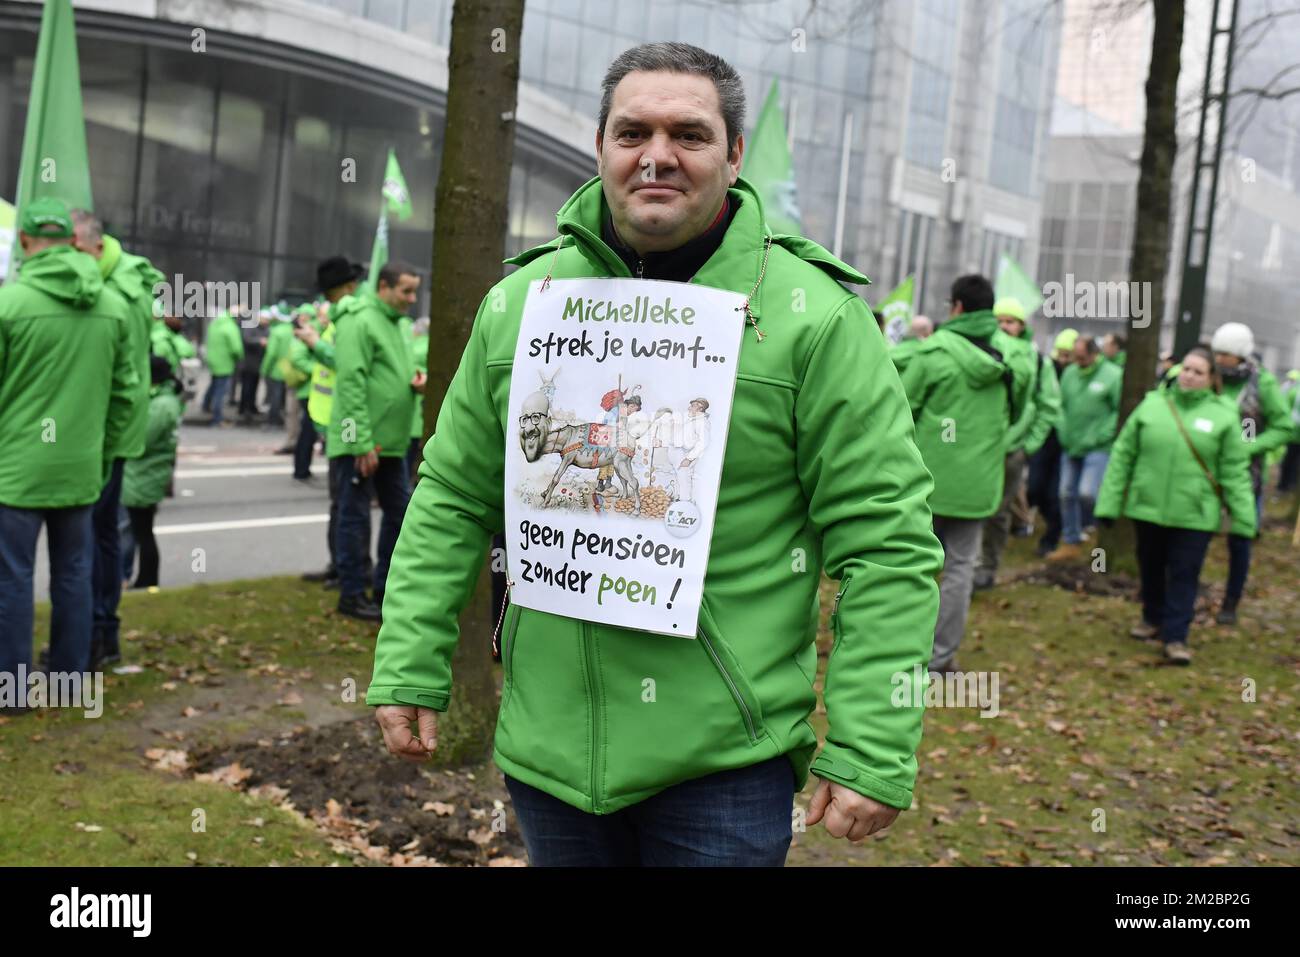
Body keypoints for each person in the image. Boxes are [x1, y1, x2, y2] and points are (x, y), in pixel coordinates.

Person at [369, 42, 943, 866]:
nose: (658, 156)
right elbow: (453, 494)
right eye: (632, 132)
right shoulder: (521, 304)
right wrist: (409, 661)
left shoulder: (813, 320)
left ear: (734, 154)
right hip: (548, 753)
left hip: (721, 763)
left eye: (690, 135)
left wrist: (872, 743)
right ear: (600, 146)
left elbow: (886, 544)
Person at [0, 197, 136, 691]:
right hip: (81, 466)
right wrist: (103, 456)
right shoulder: (113, 305)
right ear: (74, 242)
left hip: (15, 468)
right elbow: (126, 395)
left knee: (12, 579)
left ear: (26, 241)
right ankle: (69, 680)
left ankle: (12, 690)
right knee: (74, 575)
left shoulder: (10, 304)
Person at [894, 275, 1027, 674]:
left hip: (927, 483)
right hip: (978, 486)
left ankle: (901, 650)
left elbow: (902, 412)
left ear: (956, 308)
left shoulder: (932, 354)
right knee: (959, 569)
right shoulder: (1009, 361)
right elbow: (1016, 415)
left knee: (912, 566)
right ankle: (940, 658)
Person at [1094, 346, 1256, 665]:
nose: (1190, 376)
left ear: (1212, 380)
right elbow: (1123, 455)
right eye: (1186, 369)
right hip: (1148, 506)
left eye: (1198, 372)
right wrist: (1108, 504)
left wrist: (1244, 519)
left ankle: (1176, 636)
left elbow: (1234, 472)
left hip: (1194, 513)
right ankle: (1151, 616)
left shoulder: (1223, 416)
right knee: (1151, 567)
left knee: (1185, 572)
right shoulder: (1152, 406)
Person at [70, 210, 163, 666]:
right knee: (103, 532)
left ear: (91, 246)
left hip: (104, 432)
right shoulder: (126, 281)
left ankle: (91, 637)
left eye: (72, 250)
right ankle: (101, 633)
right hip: (112, 428)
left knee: (88, 535)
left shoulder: (116, 293)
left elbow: (119, 377)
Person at [328, 260, 424, 622]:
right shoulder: (359, 319)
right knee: (355, 519)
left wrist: (416, 380)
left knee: (399, 516)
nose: (412, 299)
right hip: (364, 444)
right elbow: (351, 383)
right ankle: (352, 593)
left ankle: (384, 590)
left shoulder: (396, 323)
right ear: (383, 287)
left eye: (414, 291)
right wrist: (360, 443)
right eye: (406, 291)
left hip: (392, 441)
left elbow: (390, 374)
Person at [1209, 322, 1293, 624]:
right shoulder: (1209, 377)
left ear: (1241, 355)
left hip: (1246, 473)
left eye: (1226, 355)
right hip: (1205, 470)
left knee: (1240, 536)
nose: (1220, 360)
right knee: (1196, 534)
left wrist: (1251, 446)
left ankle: (1232, 600)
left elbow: (1284, 427)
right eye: (1217, 353)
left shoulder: (1263, 384)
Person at [974, 297, 1060, 589]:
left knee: (999, 511)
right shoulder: (981, 349)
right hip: (976, 446)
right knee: (969, 506)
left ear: (1022, 326)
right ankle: (965, 563)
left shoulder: (1037, 360)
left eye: (1010, 322)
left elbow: (1048, 405)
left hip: (1012, 450)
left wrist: (1028, 445)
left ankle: (987, 567)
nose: (1004, 327)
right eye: (999, 321)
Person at [301, 257, 366, 585]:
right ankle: (341, 567)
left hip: (346, 425)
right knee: (342, 505)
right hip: (335, 422)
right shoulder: (342, 316)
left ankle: (349, 573)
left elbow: (347, 367)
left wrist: (315, 344)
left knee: (346, 507)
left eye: (330, 293)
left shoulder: (353, 318)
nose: (326, 300)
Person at [1048, 334, 1122, 561]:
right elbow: (1059, 404)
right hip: (1071, 444)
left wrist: (1101, 436)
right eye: (1074, 357)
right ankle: (1071, 539)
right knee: (1065, 493)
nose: (1077, 361)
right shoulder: (1070, 373)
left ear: (1094, 354)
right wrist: (1062, 429)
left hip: (1098, 447)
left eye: (1082, 357)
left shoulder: (1113, 376)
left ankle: (1097, 533)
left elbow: (1117, 411)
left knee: (1088, 493)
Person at [122, 357, 184, 589]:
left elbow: (143, 440)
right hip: (146, 472)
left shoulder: (162, 405)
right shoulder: (163, 400)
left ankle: (148, 581)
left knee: (143, 532)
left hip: (144, 473)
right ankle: (146, 580)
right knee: (142, 531)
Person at [1027, 328, 1077, 557]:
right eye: (1062, 355)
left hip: (1066, 442)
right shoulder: (1047, 370)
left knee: (1056, 492)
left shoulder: (1077, 377)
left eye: (1069, 356)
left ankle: (1052, 536)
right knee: (1034, 488)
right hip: (1045, 438)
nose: (1064, 360)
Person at [203, 308, 243, 427]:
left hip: (213, 360)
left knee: (214, 385)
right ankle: (217, 418)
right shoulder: (231, 328)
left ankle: (205, 406)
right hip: (225, 362)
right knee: (221, 391)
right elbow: (236, 348)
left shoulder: (215, 324)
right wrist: (239, 358)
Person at [259, 307, 294, 429]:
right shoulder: (293, 330)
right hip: (290, 368)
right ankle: (283, 420)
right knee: (287, 396)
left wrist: (264, 369)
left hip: (277, 369)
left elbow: (271, 353)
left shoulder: (276, 331)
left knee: (275, 396)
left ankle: (273, 421)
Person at [1278, 370, 1300, 493]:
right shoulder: (1287, 390)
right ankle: (1285, 485)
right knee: (1288, 461)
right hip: (1290, 433)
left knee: (1292, 462)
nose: (1290, 382)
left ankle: (1289, 485)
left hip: (1293, 433)